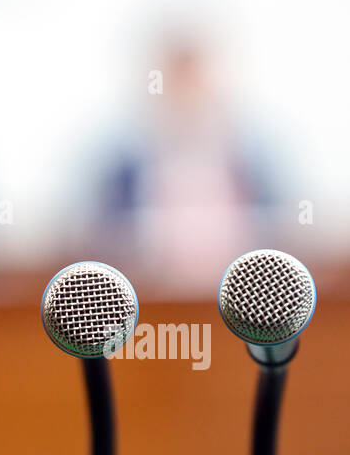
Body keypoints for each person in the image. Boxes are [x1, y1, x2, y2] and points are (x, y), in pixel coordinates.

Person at [93, 34, 279, 294]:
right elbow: (104, 238)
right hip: (153, 300)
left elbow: (279, 234)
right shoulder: (124, 169)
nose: (186, 93)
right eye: (176, 81)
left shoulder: (252, 161)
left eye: (193, 80)